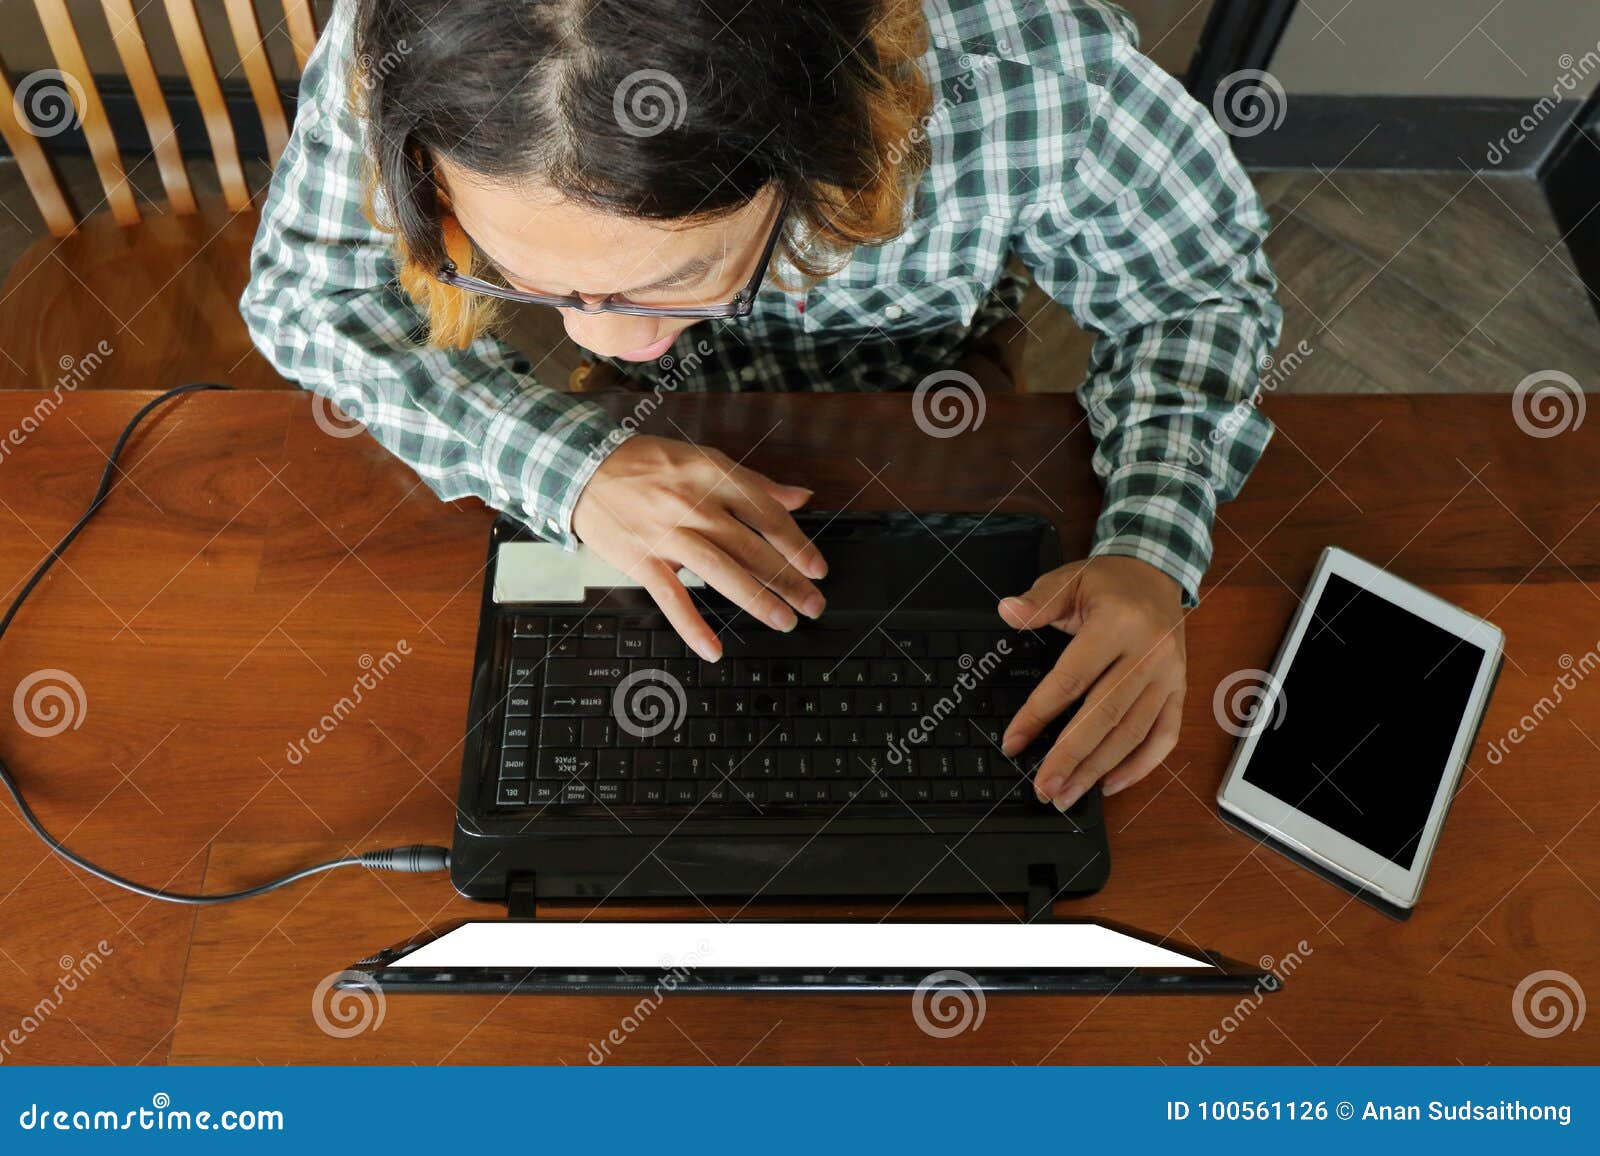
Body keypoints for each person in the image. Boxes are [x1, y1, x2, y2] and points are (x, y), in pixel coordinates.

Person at [241, 0, 1282, 813]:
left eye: (674, 277)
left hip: (931, 402)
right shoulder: (411, 50)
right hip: (629, 437)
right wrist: (565, 462)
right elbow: (305, 295)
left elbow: (1195, 291)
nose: (597, 340)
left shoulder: (1035, 74)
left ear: (824, 146)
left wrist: (1151, 549)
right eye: (533, 283)